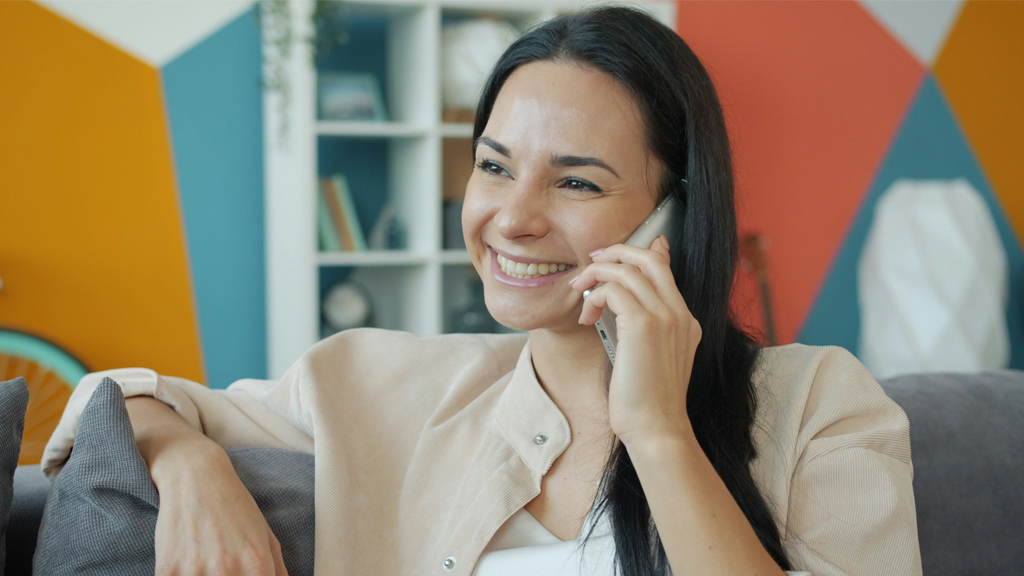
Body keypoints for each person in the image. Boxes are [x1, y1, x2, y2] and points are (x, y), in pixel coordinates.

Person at [42, 6, 921, 576]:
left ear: (673, 216)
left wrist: (656, 429)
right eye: (495, 167)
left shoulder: (822, 406)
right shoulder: (378, 383)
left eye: (576, 182)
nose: (513, 219)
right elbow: (108, 401)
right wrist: (191, 466)